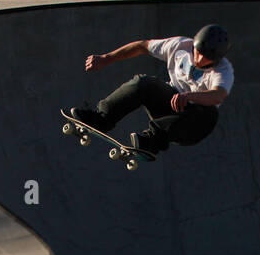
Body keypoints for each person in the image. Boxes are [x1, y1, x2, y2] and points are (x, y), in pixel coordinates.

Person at [69, 23, 233, 156]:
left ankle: (150, 141)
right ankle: (100, 119)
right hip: (169, 105)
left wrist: (190, 96)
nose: (199, 60)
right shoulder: (179, 45)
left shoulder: (223, 70)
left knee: (210, 114)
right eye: (198, 53)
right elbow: (142, 46)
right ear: (194, 44)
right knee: (144, 82)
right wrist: (107, 58)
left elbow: (218, 95)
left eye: (207, 59)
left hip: (191, 124)